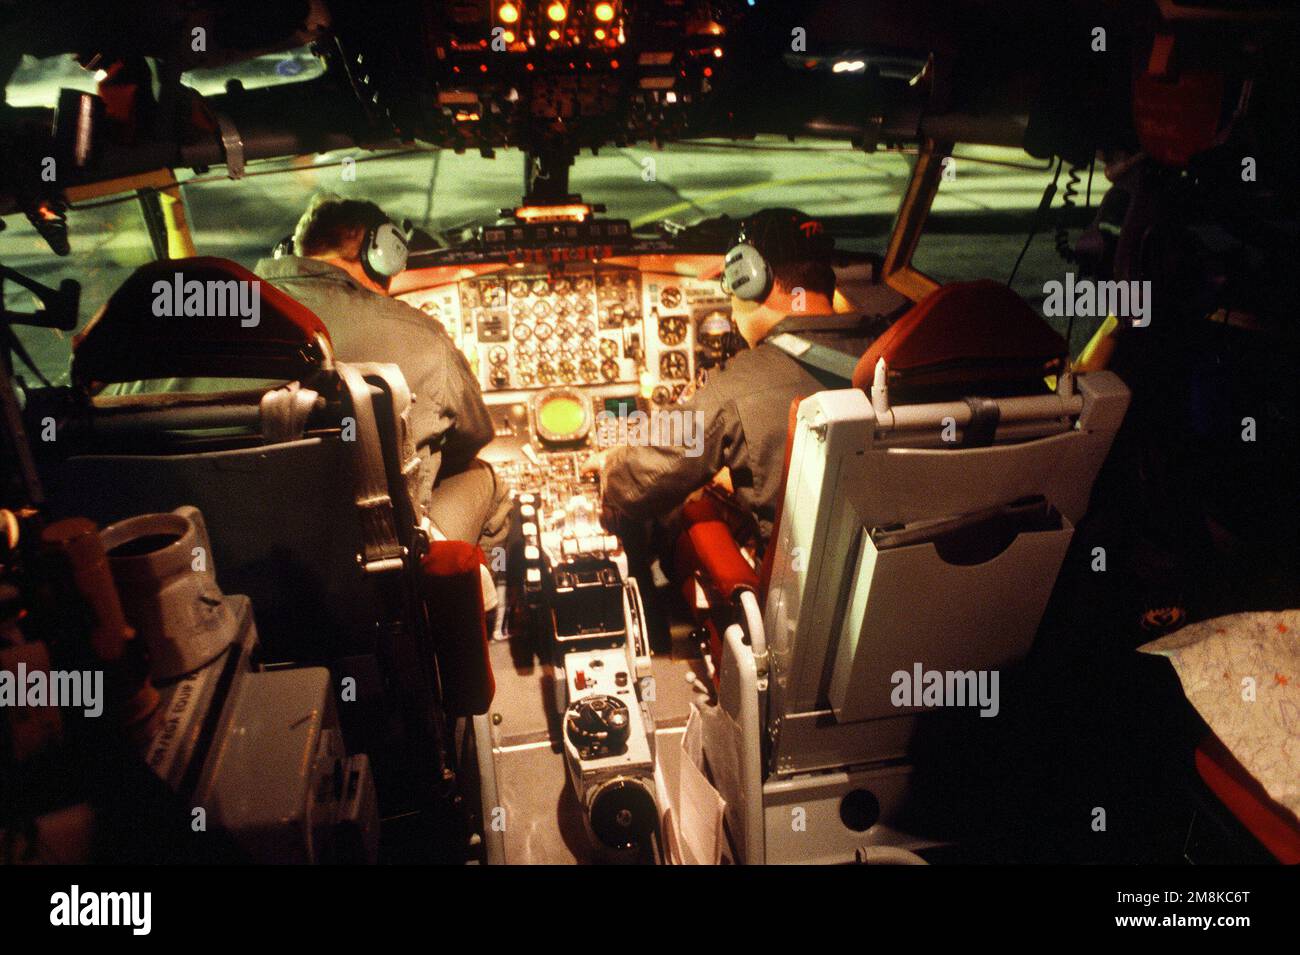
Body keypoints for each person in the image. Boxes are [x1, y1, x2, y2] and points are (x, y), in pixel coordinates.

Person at [590, 208, 879, 547]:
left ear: (752, 279)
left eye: (729, 287)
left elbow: (633, 485)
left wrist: (610, 460)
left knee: (684, 518)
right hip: (892, 563)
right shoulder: (894, 353)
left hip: (791, 580)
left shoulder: (737, 388)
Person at [255, 193, 507, 551]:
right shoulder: (419, 332)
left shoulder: (197, 324)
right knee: (485, 480)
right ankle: (459, 603)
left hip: (216, 563)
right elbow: (473, 435)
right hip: (375, 556)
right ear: (382, 251)